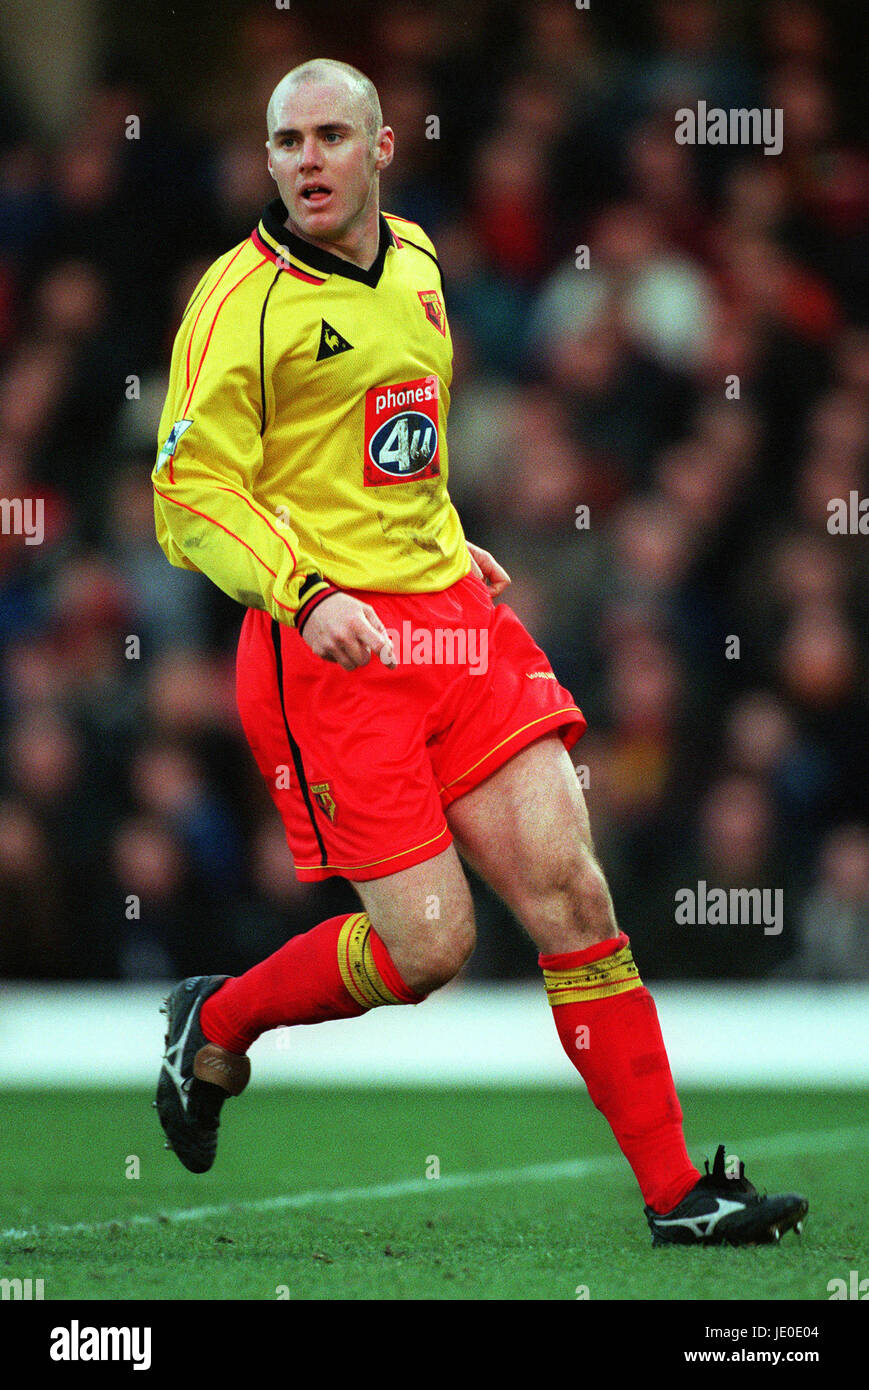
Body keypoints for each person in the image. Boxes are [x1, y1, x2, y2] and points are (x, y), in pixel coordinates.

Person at [152, 59, 806, 1247]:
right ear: (267, 160)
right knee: (430, 945)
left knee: (571, 889)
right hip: (328, 655)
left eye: (329, 138)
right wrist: (304, 594)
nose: (306, 161)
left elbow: (398, 445)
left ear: (380, 149)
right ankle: (219, 1023)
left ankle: (677, 1195)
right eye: (285, 142)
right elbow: (188, 491)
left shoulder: (413, 260)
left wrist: (445, 536)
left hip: (449, 623)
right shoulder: (237, 304)